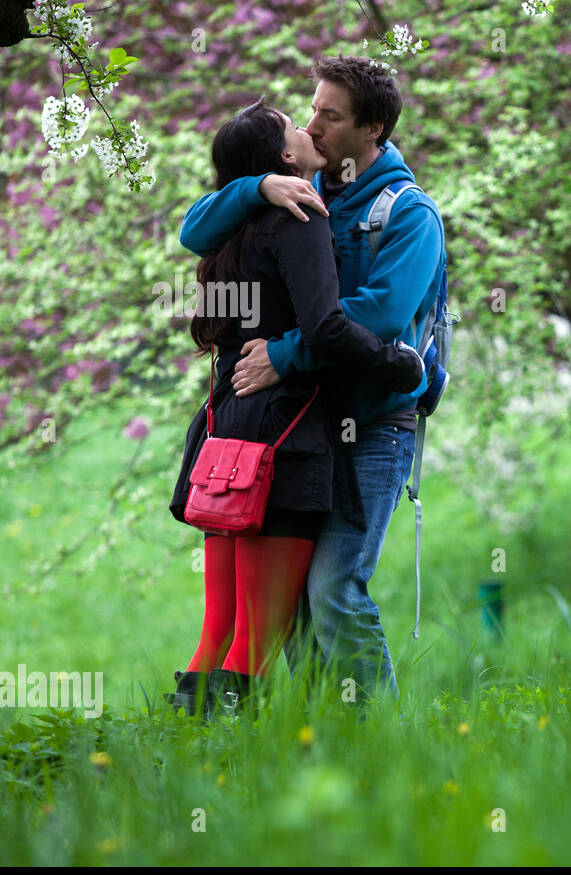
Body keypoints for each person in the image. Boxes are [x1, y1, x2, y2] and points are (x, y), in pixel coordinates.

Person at [178, 57, 446, 704]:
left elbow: (378, 314)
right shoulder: (307, 190)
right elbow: (194, 230)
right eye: (311, 110)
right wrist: (257, 188)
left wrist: (286, 354)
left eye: (330, 115)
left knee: (333, 589)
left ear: (372, 128)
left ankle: (377, 734)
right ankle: (318, 738)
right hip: (308, 426)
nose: (312, 125)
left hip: (376, 422)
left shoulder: (410, 214)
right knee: (286, 603)